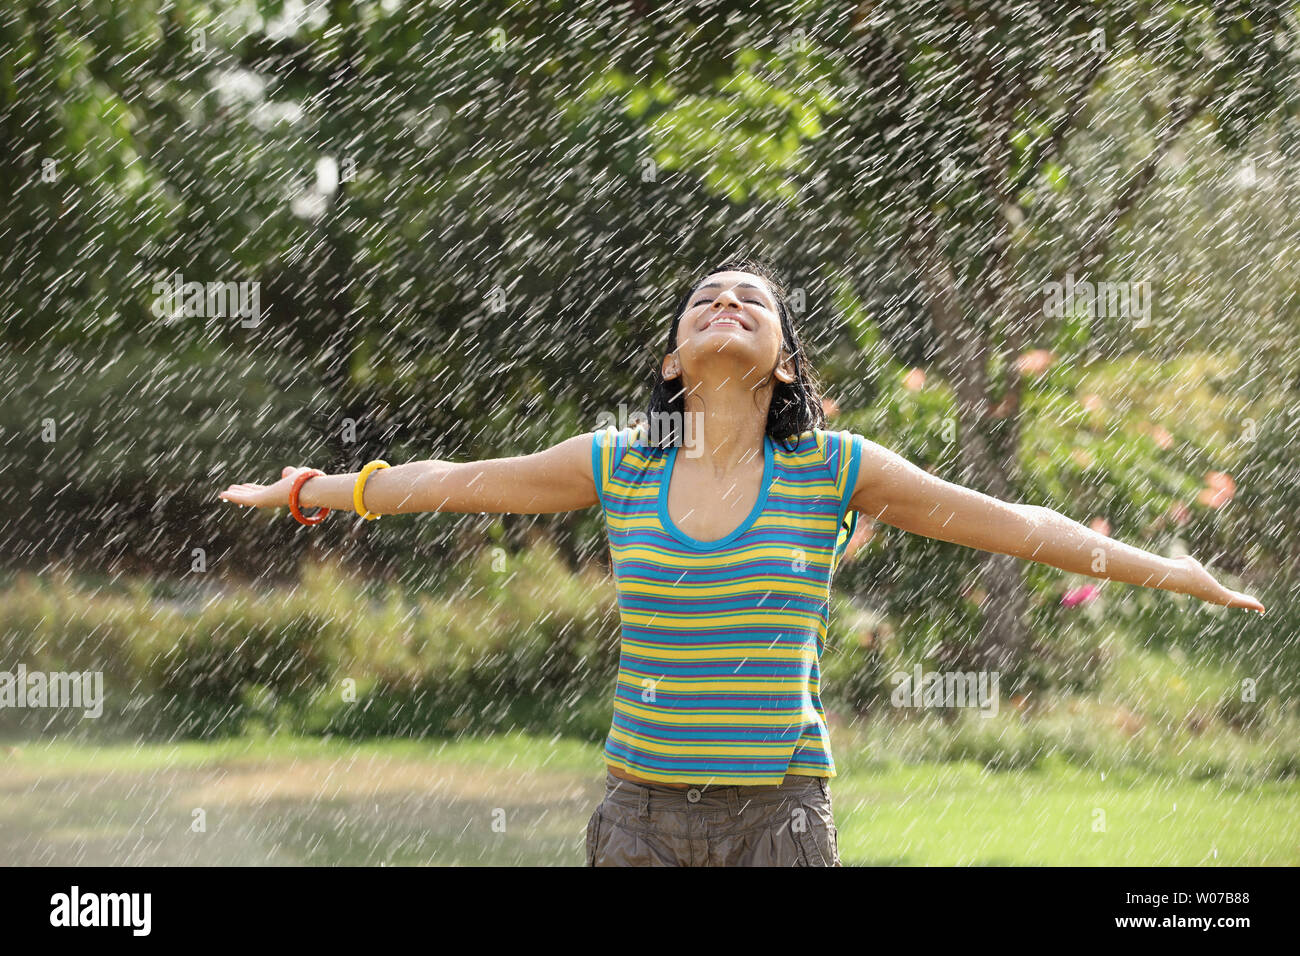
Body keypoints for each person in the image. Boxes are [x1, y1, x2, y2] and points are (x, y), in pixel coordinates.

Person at [218, 256, 1265, 867]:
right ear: (673, 358)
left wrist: (1172, 570)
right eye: (704, 300)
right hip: (635, 813)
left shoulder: (833, 465)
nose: (724, 304)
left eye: (750, 302)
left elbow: (1021, 524)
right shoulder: (619, 461)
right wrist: (315, 490)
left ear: (786, 359)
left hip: (780, 812)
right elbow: (447, 478)